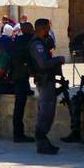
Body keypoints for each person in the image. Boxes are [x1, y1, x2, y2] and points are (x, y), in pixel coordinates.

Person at [29, 18, 65, 154]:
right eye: (48, 28)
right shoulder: (37, 44)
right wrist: (58, 59)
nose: (49, 31)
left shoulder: (41, 42)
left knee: (47, 108)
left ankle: (43, 141)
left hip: (46, 80)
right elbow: (43, 63)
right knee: (46, 110)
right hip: (44, 80)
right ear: (43, 28)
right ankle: (41, 139)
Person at [8, 21, 36, 144]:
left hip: (16, 75)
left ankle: (18, 133)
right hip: (22, 75)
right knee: (19, 105)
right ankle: (18, 134)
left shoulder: (17, 41)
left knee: (19, 104)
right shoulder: (30, 40)